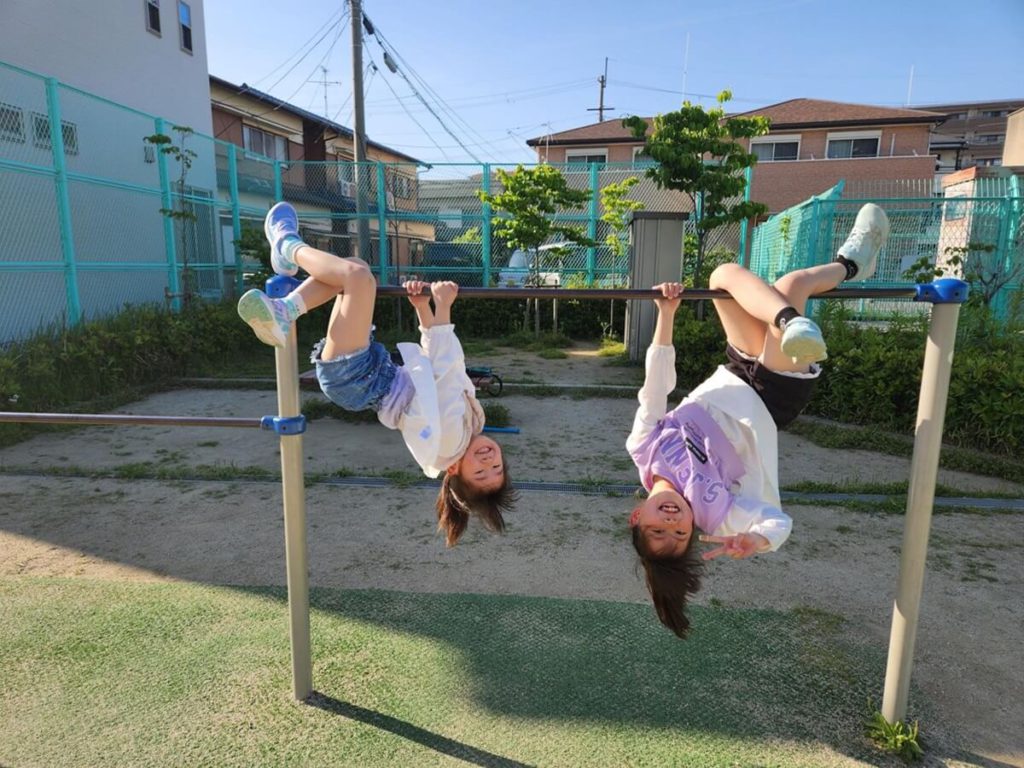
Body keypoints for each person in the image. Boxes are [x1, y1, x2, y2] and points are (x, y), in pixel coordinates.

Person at [627, 204, 890, 638]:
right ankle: (799, 312)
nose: (672, 522)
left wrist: (666, 315)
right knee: (791, 285)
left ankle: (847, 269)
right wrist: (757, 540)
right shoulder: (716, 513)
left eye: (658, 529)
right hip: (770, 399)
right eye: (678, 533)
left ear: (637, 516)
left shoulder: (643, 448)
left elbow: (655, 389)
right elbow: (777, 522)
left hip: (735, 372)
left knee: (722, 277)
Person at [237, 202, 517, 546]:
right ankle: (287, 309)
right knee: (354, 268)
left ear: (456, 471)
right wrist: (423, 310)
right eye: (497, 469)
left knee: (356, 279)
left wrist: (443, 307)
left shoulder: (450, 444)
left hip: (359, 377)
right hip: (368, 373)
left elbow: (446, 372)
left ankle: (286, 245)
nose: (489, 462)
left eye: (480, 472)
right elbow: (434, 368)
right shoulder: (468, 429)